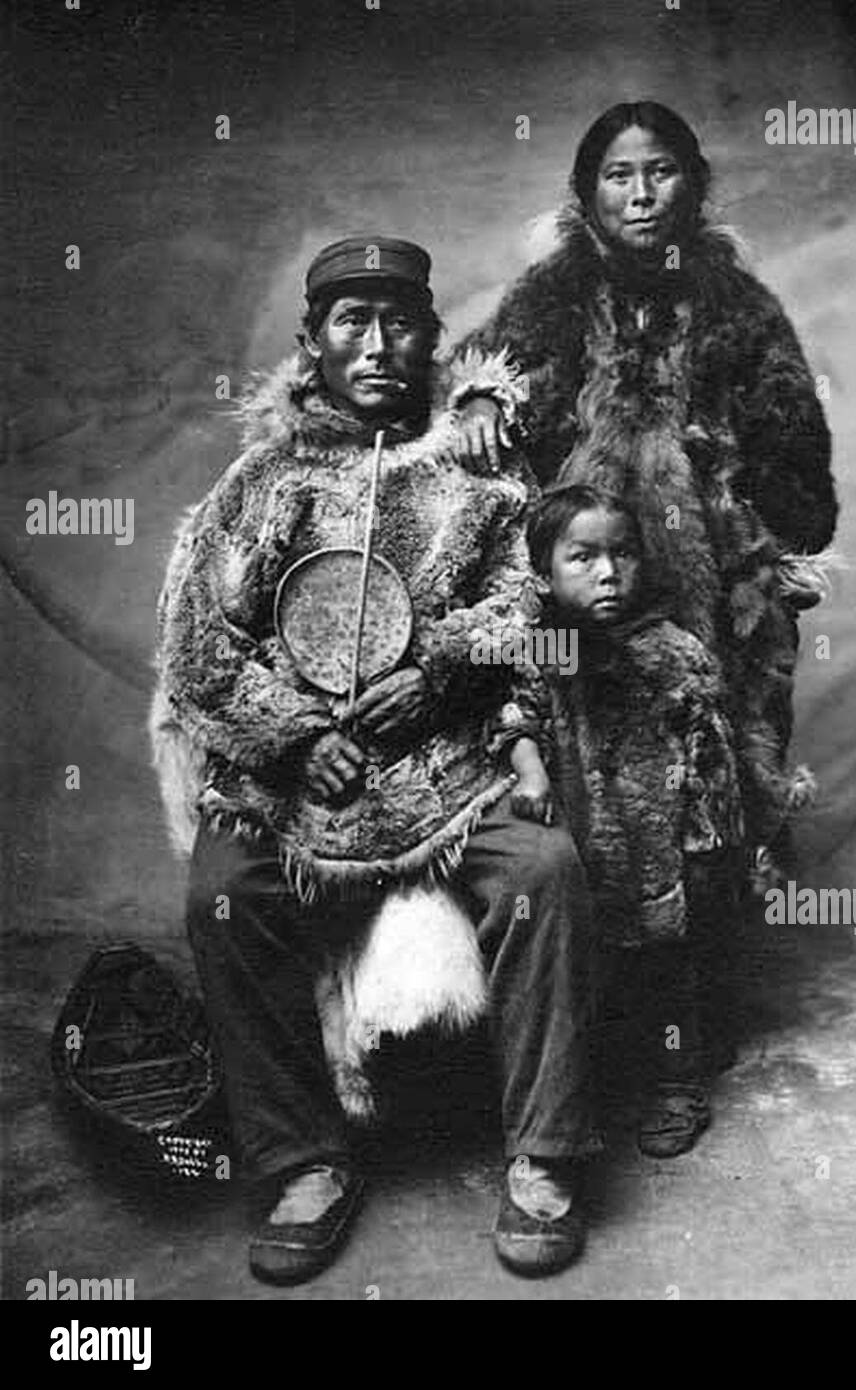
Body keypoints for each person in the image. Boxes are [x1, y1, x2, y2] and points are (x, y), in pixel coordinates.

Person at [151, 236, 601, 1285]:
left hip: (449, 761)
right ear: (312, 344)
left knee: (547, 875)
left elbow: (526, 605)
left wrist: (444, 669)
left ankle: (543, 1152)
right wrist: (300, 736)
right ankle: (303, 1159)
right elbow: (200, 647)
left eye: (399, 319)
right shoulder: (262, 481)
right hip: (298, 777)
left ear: (433, 337)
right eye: (351, 320)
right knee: (223, 892)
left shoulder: (477, 473)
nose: (378, 342)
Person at [454, 100, 839, 887]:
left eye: (660, 173)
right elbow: (479, 379)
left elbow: (796, 450)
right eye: (618, 175)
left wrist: (748, 518)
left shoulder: (739, 306)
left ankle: (702, 975)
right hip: (579, 579)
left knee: (710, 755)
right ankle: (600, 974)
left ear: (692, 187)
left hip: (712, 582)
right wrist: (483, 401)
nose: (640, 195)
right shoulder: (550, 297)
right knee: (583, 760)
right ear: (586, 192)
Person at [497, 484, 746, 1157]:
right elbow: (516, 712)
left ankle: (676, 1085)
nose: (608, 573)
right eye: (582, 557)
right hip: (580, 854)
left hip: (660, 856)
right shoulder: (545, 651)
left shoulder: (673, 652)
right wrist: (532, 771)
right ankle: (594, 1088)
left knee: (668, 976)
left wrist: (705, 850)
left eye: (624, 554)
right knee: (588, 978)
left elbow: (711, 762)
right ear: (544, 571)